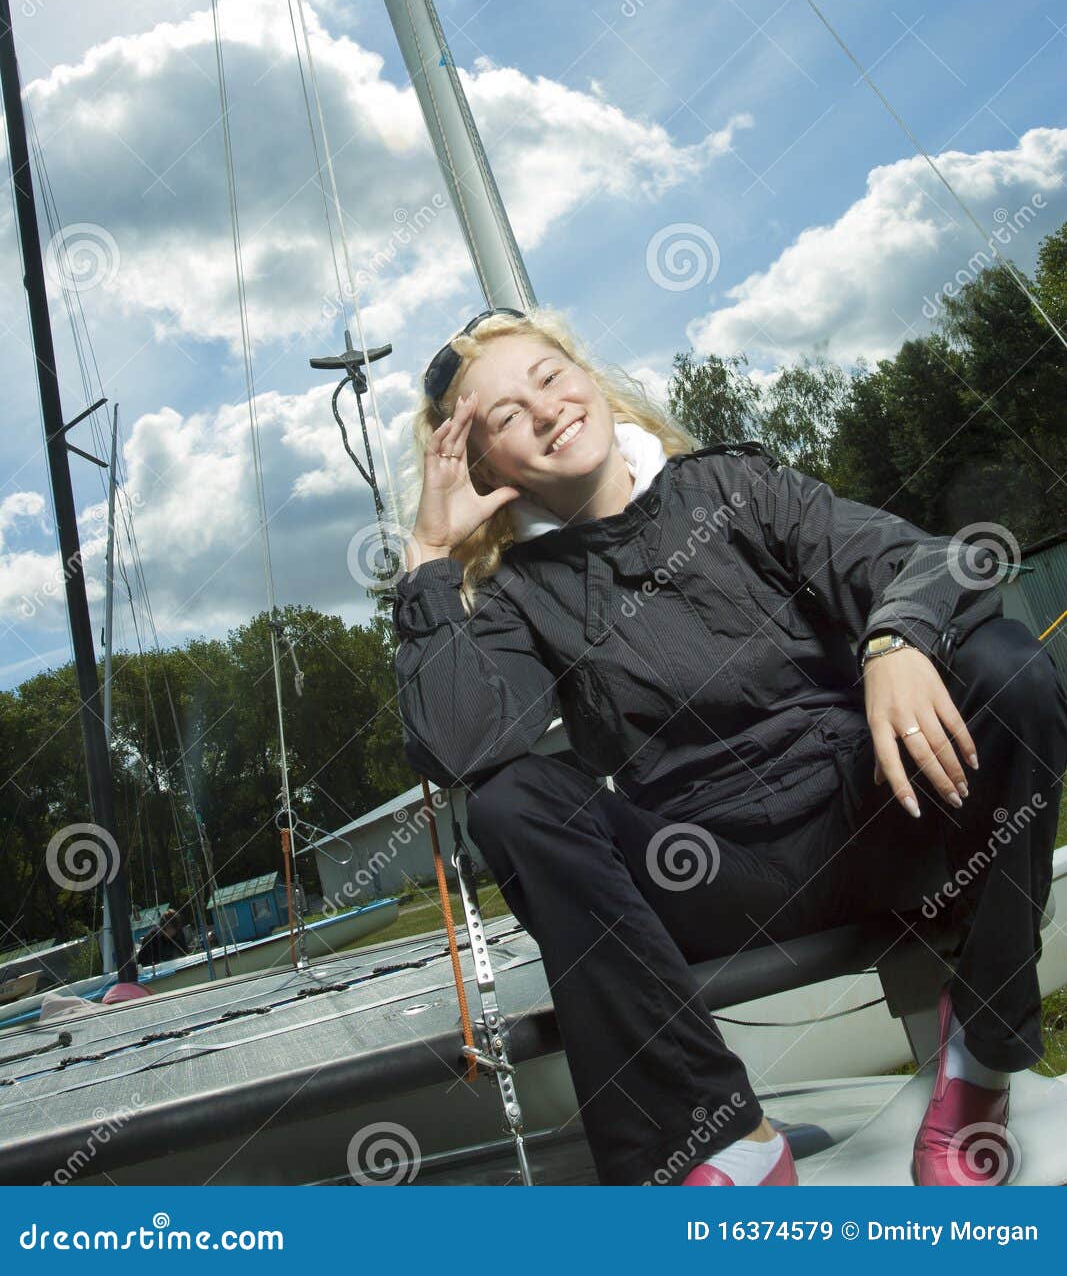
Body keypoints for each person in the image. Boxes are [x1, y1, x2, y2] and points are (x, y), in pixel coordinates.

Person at [390, 307, 1067, 1187]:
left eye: (550, 377)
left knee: (1001, 662)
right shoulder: (517, 596)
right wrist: (430, 559)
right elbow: (459, 748)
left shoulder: (735, 489)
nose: (547, 409)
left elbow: (932, 561)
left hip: (884, 817)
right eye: (507, 416)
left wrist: (894, 641)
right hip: (708, 878)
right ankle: (726, 1140)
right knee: (510, 798)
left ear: (586, 378)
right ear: (482, 468)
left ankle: (978, 1061)